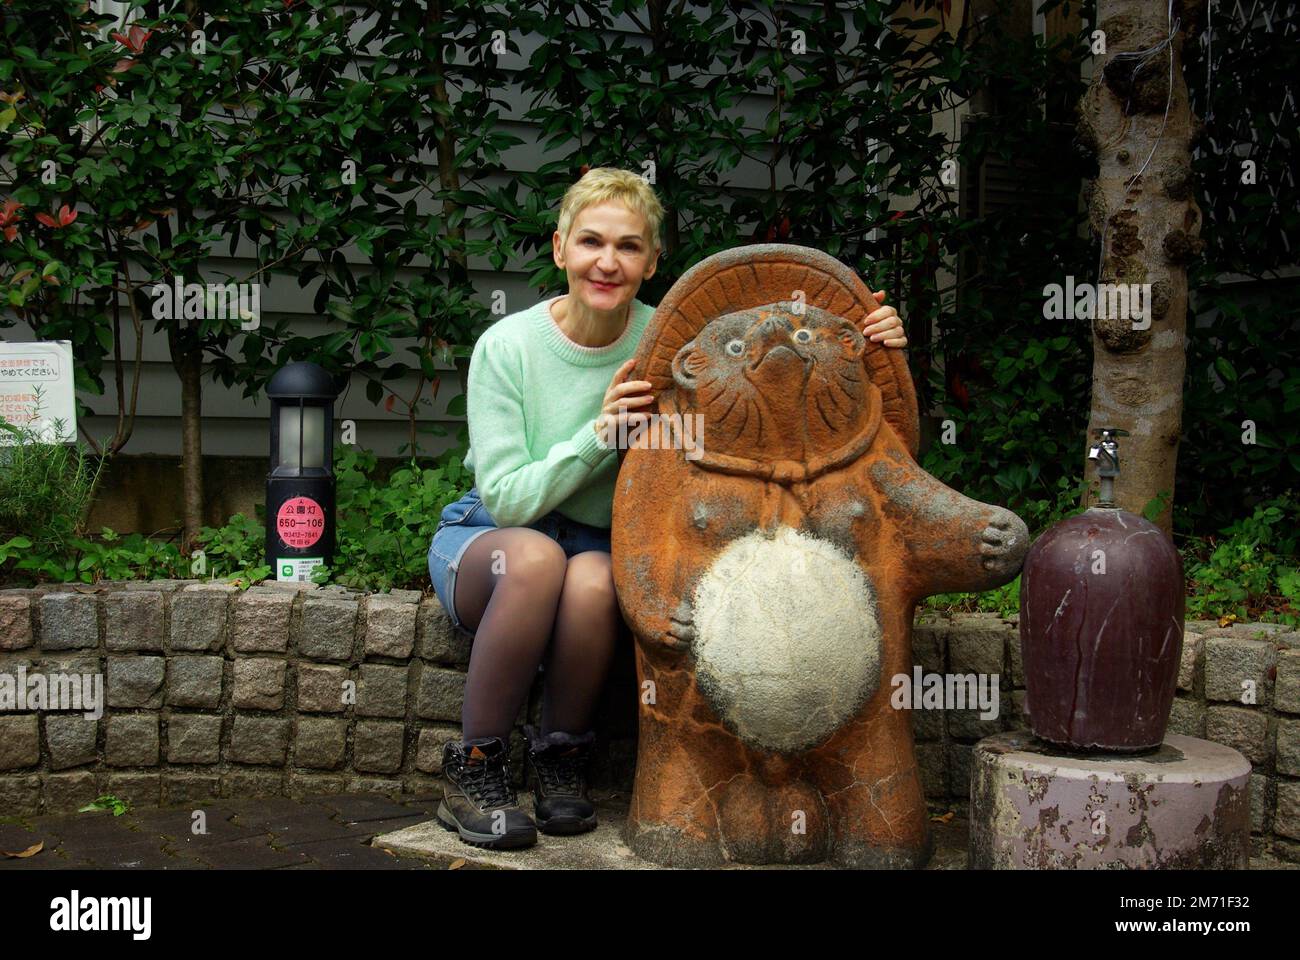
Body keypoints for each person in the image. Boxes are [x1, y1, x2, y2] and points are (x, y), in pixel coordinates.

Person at [427, 167, 909, 850]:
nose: (607, 261)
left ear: (653, 262)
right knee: (536, 559)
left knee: (596, 580)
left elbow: (785, 375)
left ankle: (561, 759)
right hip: (492, 540)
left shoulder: (675, 343)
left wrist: (871, 342)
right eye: (591, 241)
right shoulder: (507, 347)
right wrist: (600, 435)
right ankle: (474, 768)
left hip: (598, 543)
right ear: (560, 248)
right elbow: (508, 498)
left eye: (628, 247)